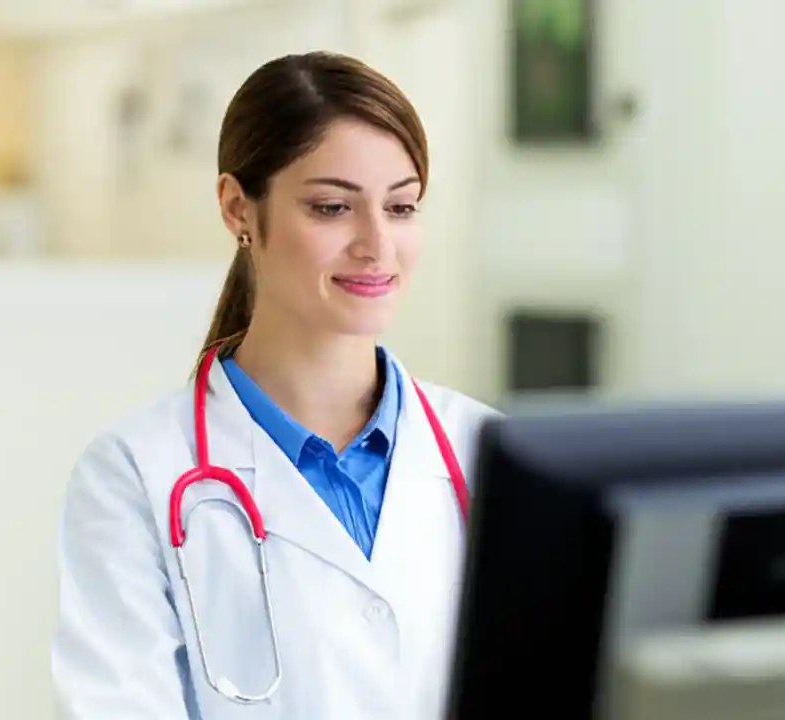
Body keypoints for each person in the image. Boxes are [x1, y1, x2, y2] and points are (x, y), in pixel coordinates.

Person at [51, 51, 497, 719]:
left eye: (401, 207)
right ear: (239, 209)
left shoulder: (485, 449)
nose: (378, 244)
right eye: (331, 207)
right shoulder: (133, 475)